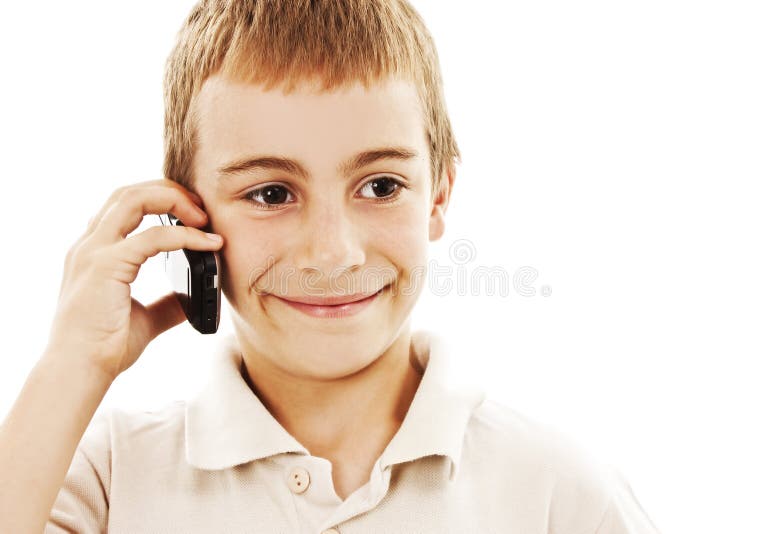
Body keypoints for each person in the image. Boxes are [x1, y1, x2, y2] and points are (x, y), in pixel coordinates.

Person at [0, 1, 661, 532]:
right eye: (271, 194)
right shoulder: (108, 479)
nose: (332, 251)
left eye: (380, 186)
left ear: (438, 196)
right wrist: (74, 364)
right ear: (187, 218)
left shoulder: (555, 491)